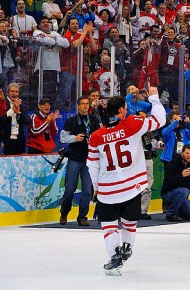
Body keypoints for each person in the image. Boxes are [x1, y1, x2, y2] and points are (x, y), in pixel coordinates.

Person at [87, 86, 166, 275]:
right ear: (122, 110)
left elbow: (92, 166)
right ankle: (127, 248)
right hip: (132, 186)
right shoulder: (133, 124)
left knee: (109, 224)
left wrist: (97, 188)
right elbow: (160, 119)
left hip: (108, 189)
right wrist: (154, 97)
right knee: (130, 222)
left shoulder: (96, 136)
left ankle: (115, 257)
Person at [59, 96, 101, 226]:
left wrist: (93, 139)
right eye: (82, 104)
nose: (85, 106)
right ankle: (64, 212)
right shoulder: (71, 121)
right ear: (78, 106)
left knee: (87, 191)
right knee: (70, 188)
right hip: (75, 158)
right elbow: (62, 137)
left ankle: (82, 216)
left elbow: (101, 136)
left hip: (89, 160)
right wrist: (75, 138)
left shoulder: (94, 120)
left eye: (87, 104)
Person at [161, 144, 190, 222]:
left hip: (182, 196)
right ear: (182, 153)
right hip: (168, 194)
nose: (189, 156)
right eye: (187, 153)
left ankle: (178, 212)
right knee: (183, 191)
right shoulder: (173, 163)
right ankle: (171, 214)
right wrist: (181, 175)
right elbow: (168, 182)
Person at [0, 83, 30, 155]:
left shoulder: (23, 106)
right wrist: (13, 109)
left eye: (16, 92)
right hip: (5, 139)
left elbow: (27, 122)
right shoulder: (3, 104)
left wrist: (19, 112)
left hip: (19, 140)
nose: (14, 94)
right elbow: (1, 120)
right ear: (7, 93)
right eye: (12, 91)